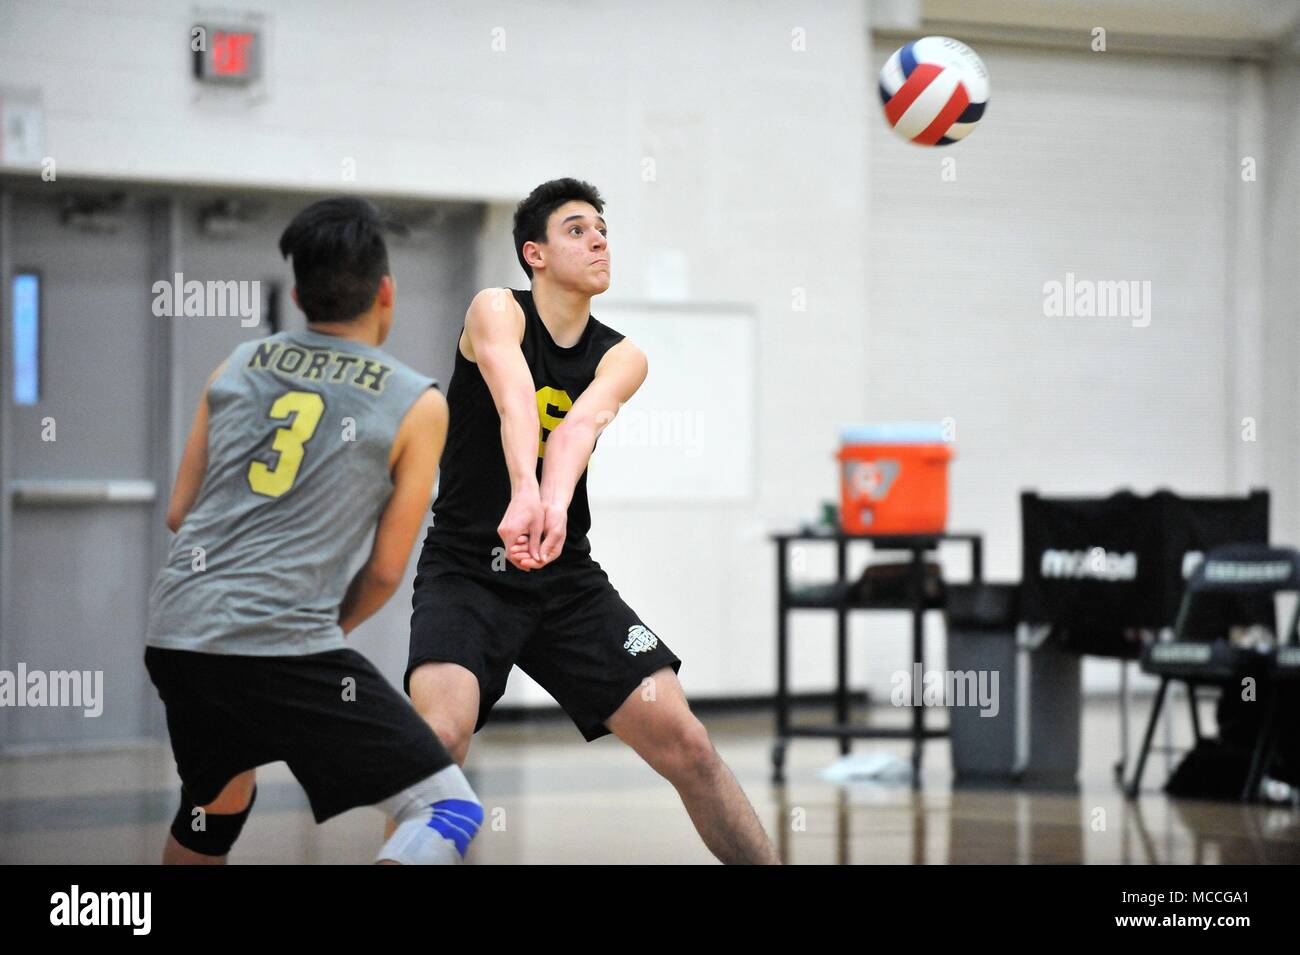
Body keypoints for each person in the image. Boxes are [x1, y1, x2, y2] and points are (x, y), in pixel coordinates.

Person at [404, 178, 778, 863]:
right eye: (576, 229)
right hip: (468, 569)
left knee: (690, 744)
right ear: (535, 253)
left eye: (602, 228)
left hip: (565, 579)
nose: (599, 238)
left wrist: (547, 505)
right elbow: (516, 396)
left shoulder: (622, 354)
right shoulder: (495, 309)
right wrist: (523, 489)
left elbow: (577, 428)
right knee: (441, 736)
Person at [145, 197, 481, 865]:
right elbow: (386, 570)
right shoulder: (416, 400)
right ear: (386, 292)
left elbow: (180, 513)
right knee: (449, 807)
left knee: (216, 804)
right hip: (278, 640)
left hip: (177, 632)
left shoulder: (237, 364)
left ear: (297, 293)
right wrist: (321, 637)